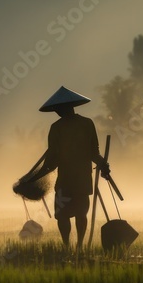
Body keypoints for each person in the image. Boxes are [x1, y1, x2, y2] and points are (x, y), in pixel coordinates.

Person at [29, 86, 109, 249]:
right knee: (78, 214)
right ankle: (76, 246)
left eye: (59, 109)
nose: (57, 112)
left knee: (64, 215)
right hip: (81, 181)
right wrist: (102, 164)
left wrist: (34, 178)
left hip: (67, 182)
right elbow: (95, 153)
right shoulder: (86, 124)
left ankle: (71, 246)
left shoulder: (58, 128)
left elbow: (52, 161)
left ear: (65, 108)